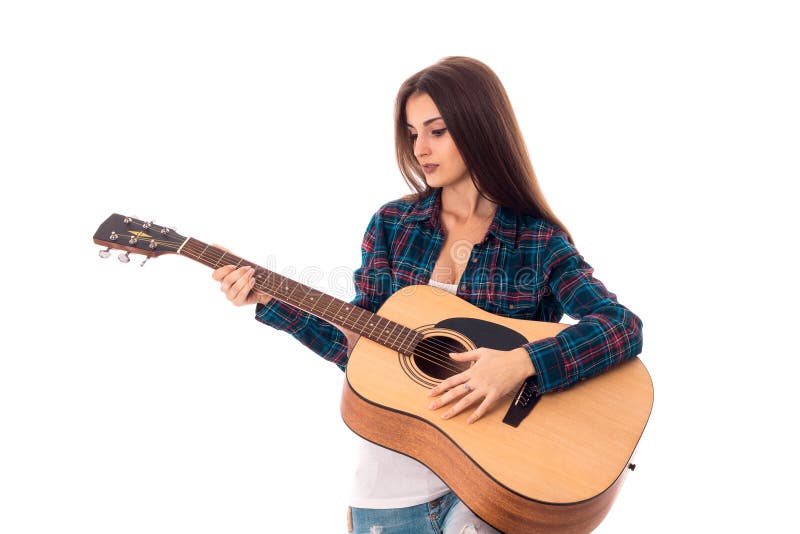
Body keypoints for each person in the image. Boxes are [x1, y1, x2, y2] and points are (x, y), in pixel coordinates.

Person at [212, 56, 643, 534]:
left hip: (492, 492)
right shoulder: (393, 226)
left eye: (436, 131)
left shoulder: (536, 242)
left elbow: (621, 327)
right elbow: (359, 352)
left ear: (479, 128)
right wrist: (269, 300)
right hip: (386, 492)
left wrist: (521, 363)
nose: (420, 148)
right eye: (413, 133)